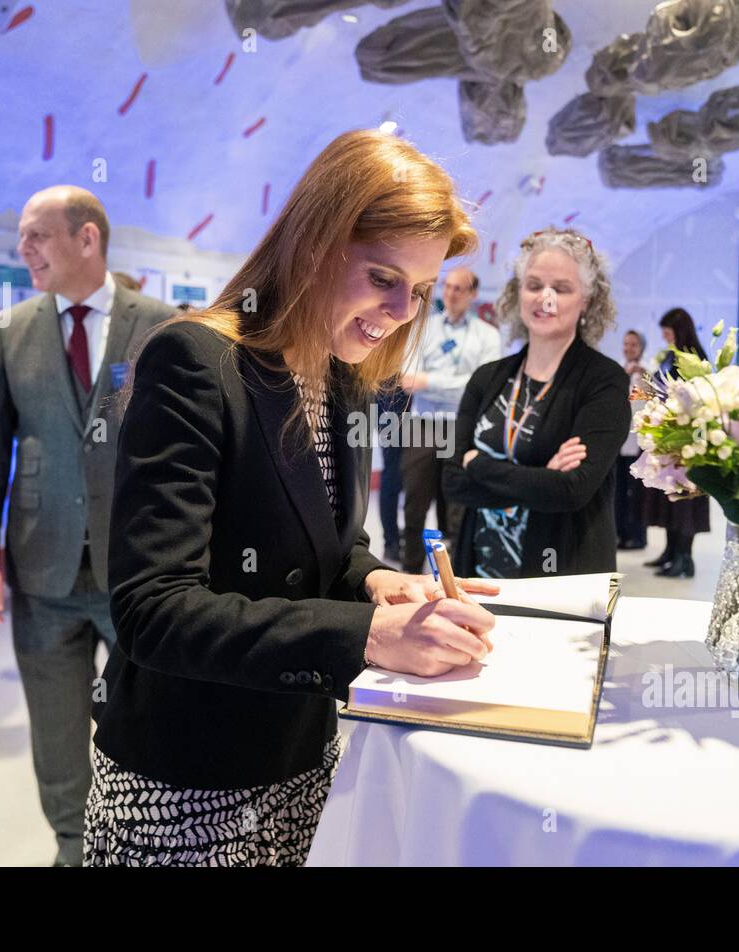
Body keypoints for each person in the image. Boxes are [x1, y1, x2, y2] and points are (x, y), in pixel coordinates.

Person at [85, 130, 497, 867]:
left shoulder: (341, 374)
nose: (402, 310)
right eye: (382, 277)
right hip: (186, 778)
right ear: (313, 245)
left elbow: (326, 547)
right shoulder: (198, 361)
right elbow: (153, 608)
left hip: (300, 753)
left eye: (422, 291)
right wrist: (366, 635)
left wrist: (378, 580)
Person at [0, 185, 176, 867]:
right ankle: (74, 849)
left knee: (151, 720)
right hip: (43, 567)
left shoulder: (161, 327)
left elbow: (187, 456)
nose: (23, 250)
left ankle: (142, 840)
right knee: (56, 731)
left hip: (138, 573)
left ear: (88, 239)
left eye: (37, 236)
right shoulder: (11, 329)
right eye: (22, 237)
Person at [443, 228, 628, 578]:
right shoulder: (487, 378)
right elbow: (453, 482)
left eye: (561, 288)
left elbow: (572, 491)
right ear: (518, 293)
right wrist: (541, 479)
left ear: (586, 300)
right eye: (534, 285)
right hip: (478, 573)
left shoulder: (604, 381)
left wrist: (478, 464)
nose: (545, 298)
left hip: (561, 576)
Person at [398, 267, 501, 572]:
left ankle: (453, 577)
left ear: (472, 294)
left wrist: (430, 381)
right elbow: (407, 379)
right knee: (415, 503)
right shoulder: (422, 329)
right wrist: (459, 384)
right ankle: (411, 571)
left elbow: (483, 386)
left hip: (461, 426)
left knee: (455, 506)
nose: (451, 293)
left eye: (459, 288)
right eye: (448, 286)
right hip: (424, 426)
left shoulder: (487, 335)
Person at [643, 308, 711, 578]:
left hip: (690, 436)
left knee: (686, 499)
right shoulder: (671, 356)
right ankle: (671, 552)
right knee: (670, 498)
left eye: (669, 333)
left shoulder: (695, 358)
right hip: (671, 433)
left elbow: (696, 397)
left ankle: (685, 557)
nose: (665, 338)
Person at [616, 329, 648, 550]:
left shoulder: (647, 373)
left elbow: (645, 404)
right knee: (618, 491)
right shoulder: (618, 370)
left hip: (637, 442)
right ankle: (620, 533)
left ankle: (637, 536)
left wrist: (644, 376)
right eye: (626, 344)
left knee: (635, 493)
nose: (629, 349)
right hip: (619, 441)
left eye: (634, 345)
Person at [373, 377, 408, 564]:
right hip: (391, 392)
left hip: (414, 397)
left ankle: (397, 539)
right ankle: (391, 542)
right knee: (392, 474)